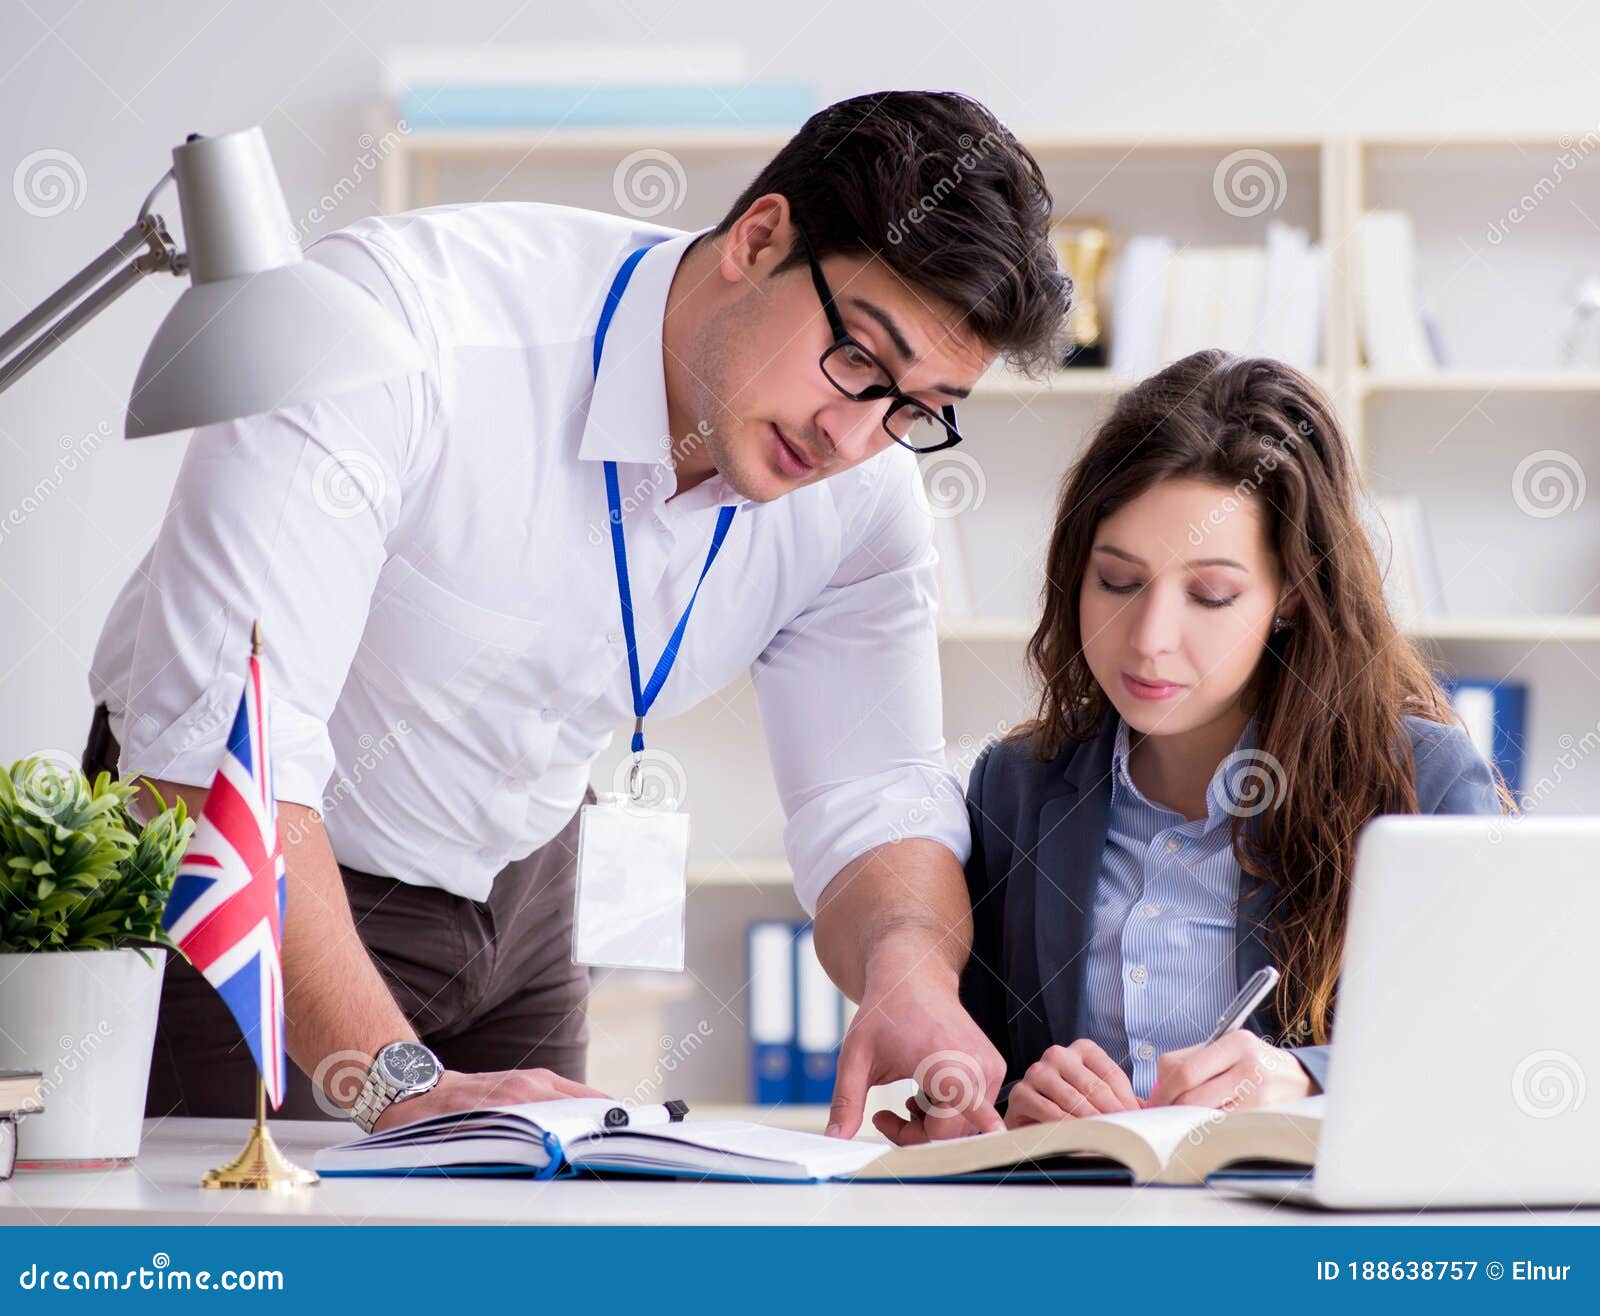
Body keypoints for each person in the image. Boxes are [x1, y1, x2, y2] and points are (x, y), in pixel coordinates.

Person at [83, 91, 1070, 1137]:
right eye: (860, 359)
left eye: (916, 409)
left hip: (528, 886)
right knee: (242, 1261)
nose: (852, 434)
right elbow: (214, 753)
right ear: (759, 237)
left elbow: (873, 792)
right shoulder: (394, 324)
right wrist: (391, 1080)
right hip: (249, 871)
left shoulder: (863, 492)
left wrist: (908, 968)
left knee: (530, 1252)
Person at [878, 350, 1513, 1142]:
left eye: (1211, 594)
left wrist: (1305, 1076)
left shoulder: (1423, 781)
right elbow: (974, 1082)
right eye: (1116, 581)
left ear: (1290, 595)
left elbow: (1493, 1059)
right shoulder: (1015, 786)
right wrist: (1001, 1116)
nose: (1149, 640)